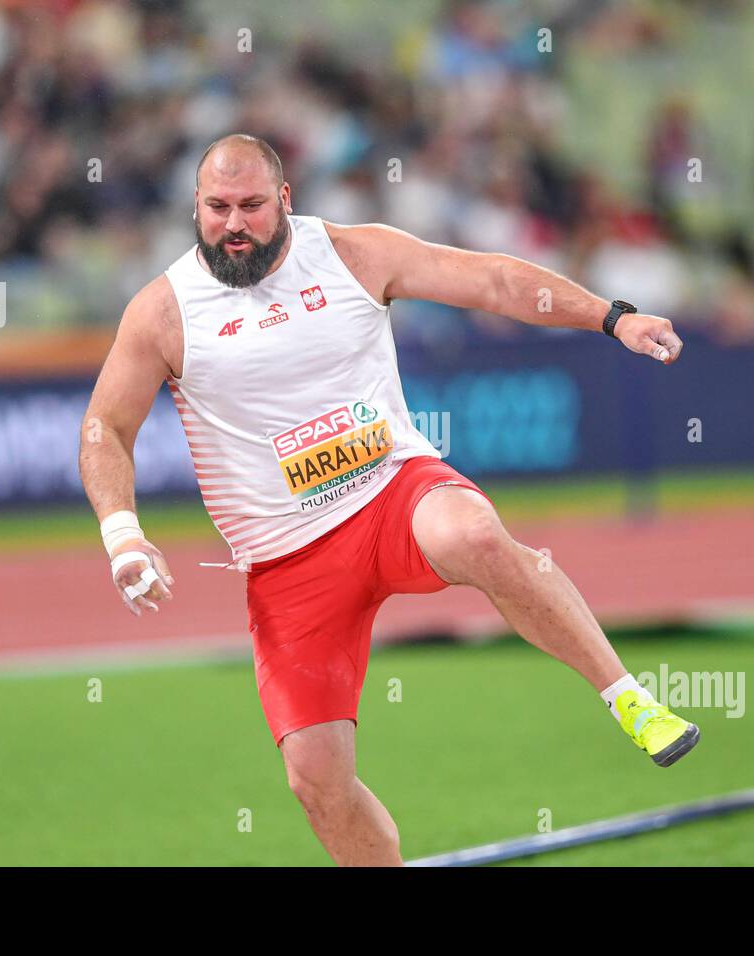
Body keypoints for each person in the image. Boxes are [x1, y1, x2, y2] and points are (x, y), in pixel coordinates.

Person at [78, 134, 697, 866]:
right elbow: (104, 427)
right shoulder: (163, 311)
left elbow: (493, 282)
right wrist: (123, 535)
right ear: (196, 207)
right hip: (288, 565)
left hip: (390, 495)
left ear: (285, 200)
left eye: (250, 205)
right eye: (216, 208)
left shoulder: (352, 253)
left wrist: (612, 316)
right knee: (317, 782)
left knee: (472, 533)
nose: (233, 224)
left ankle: (628, 697)